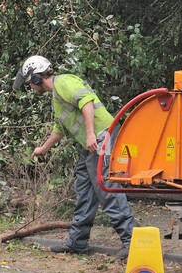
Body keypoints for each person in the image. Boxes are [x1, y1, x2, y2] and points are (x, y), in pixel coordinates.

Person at [16, 54, 135, 258]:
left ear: (37, 78)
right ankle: (78, 242)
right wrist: (44, 148)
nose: (30, 87)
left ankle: (131, 241)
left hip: (100, 136)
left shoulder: (64, 82)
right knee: (84, 188)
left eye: (29, 83)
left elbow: (87, 102)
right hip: (91, 143)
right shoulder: (56, 96)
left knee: (106, 188)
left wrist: (90, 134)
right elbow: (59, 128)